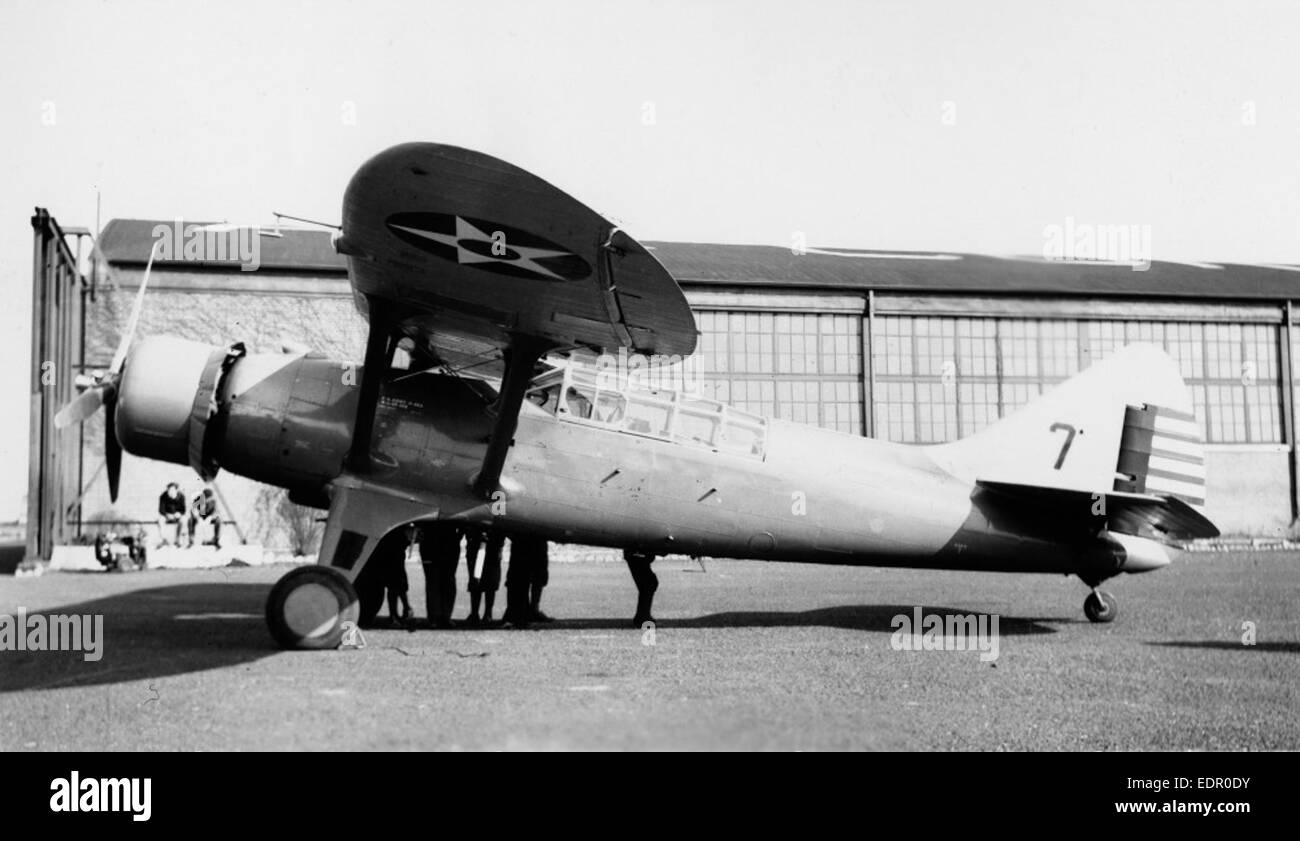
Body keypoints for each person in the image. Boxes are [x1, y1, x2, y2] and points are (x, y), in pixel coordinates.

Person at [418, 523, 462, 629]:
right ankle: (434, 617)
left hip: (448, 539)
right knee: (433, 581)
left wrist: (459, 534)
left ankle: (445, 616)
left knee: (448, 581)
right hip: (431, 540)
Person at [503, 535, 552, 628]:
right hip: (522, 540)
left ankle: (531, 610)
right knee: (519, 577)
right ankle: (517, 613)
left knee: (538, 575)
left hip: (537, 540)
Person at [464, 528, 504, 626]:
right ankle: (474, 613)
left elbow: (500, 520)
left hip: (493, 545)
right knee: (475, 579)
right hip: (475, 543)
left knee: (491, 581)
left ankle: (488, 613)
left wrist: (499, 543)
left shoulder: (496, 511)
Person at [380, 528, 415, 627]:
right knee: (395, 585)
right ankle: (395, 614)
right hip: (392, 552)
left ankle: (402, 610)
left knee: (398, 583)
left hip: (395, 551)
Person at [187, 484, 222, 549]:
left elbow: (216, 512)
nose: (207, 500)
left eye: (209, 498)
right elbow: (193, 510)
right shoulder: (198, 500)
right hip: (199, 518)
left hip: (209, 518)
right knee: (190, 520)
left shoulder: (213, 501)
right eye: (206, 498)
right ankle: (191, 540)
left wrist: (211, 517)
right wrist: (197, 517)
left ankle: (216, 540)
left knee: (218, 520)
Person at [156, 482, 186, 547]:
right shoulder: (163, 496)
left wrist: (179, 514)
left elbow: (183, 510)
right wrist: (167, 515)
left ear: (176, 490)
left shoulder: (181, 496)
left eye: (172, 490)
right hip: (167, 515)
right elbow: (161, 510)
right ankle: (164, 540)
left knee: (183, 520)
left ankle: (178, 540)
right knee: (160, 519)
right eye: (169, 490)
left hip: (177, 515)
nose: (170, 492)